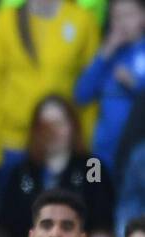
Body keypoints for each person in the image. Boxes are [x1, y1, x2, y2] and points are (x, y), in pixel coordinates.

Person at [0, 0, 100, 176]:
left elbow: (91, 85)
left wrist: (86, 143)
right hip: (13, 141)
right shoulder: (6, 20)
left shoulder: (83, 20)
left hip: (61, 145)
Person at [0, 96, 115, 237]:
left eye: (60, 124)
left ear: (73, 126)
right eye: (46, 126)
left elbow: (101, 216)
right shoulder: (21, 172)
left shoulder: (92, 166)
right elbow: (8, 225)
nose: (54, 132)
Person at [74, 0, 145, 180]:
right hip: (100, 153)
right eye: (116, 17)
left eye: (128, 15)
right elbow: (81, 94)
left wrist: (134, 84)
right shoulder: (106, 55)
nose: (122, 23)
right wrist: (104, 53)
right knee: (95, 193)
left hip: (136, 154)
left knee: (129, 204)